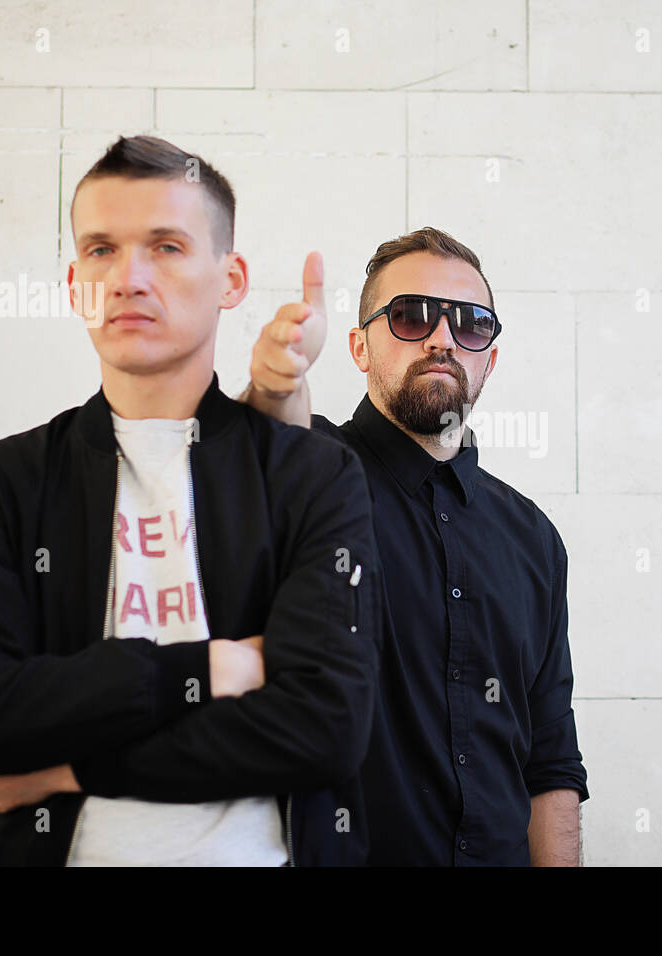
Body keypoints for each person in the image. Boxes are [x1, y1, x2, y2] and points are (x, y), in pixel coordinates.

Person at [0, 135, 382, 866]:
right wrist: (215, 669)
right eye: (101, 250)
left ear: (230, 279)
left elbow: (326, 728)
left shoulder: (315, 476)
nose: (129, 277)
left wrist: (69, 768)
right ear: (75, 285)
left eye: (166, 246)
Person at [239, 227, 588, 865]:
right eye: (411, 316)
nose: (442, 338)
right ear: (359, 347)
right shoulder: (313, 474)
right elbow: (253, 453)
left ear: (491, 356)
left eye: (471, 324)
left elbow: (551, 761)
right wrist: (276, 384)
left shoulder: (533, 539)